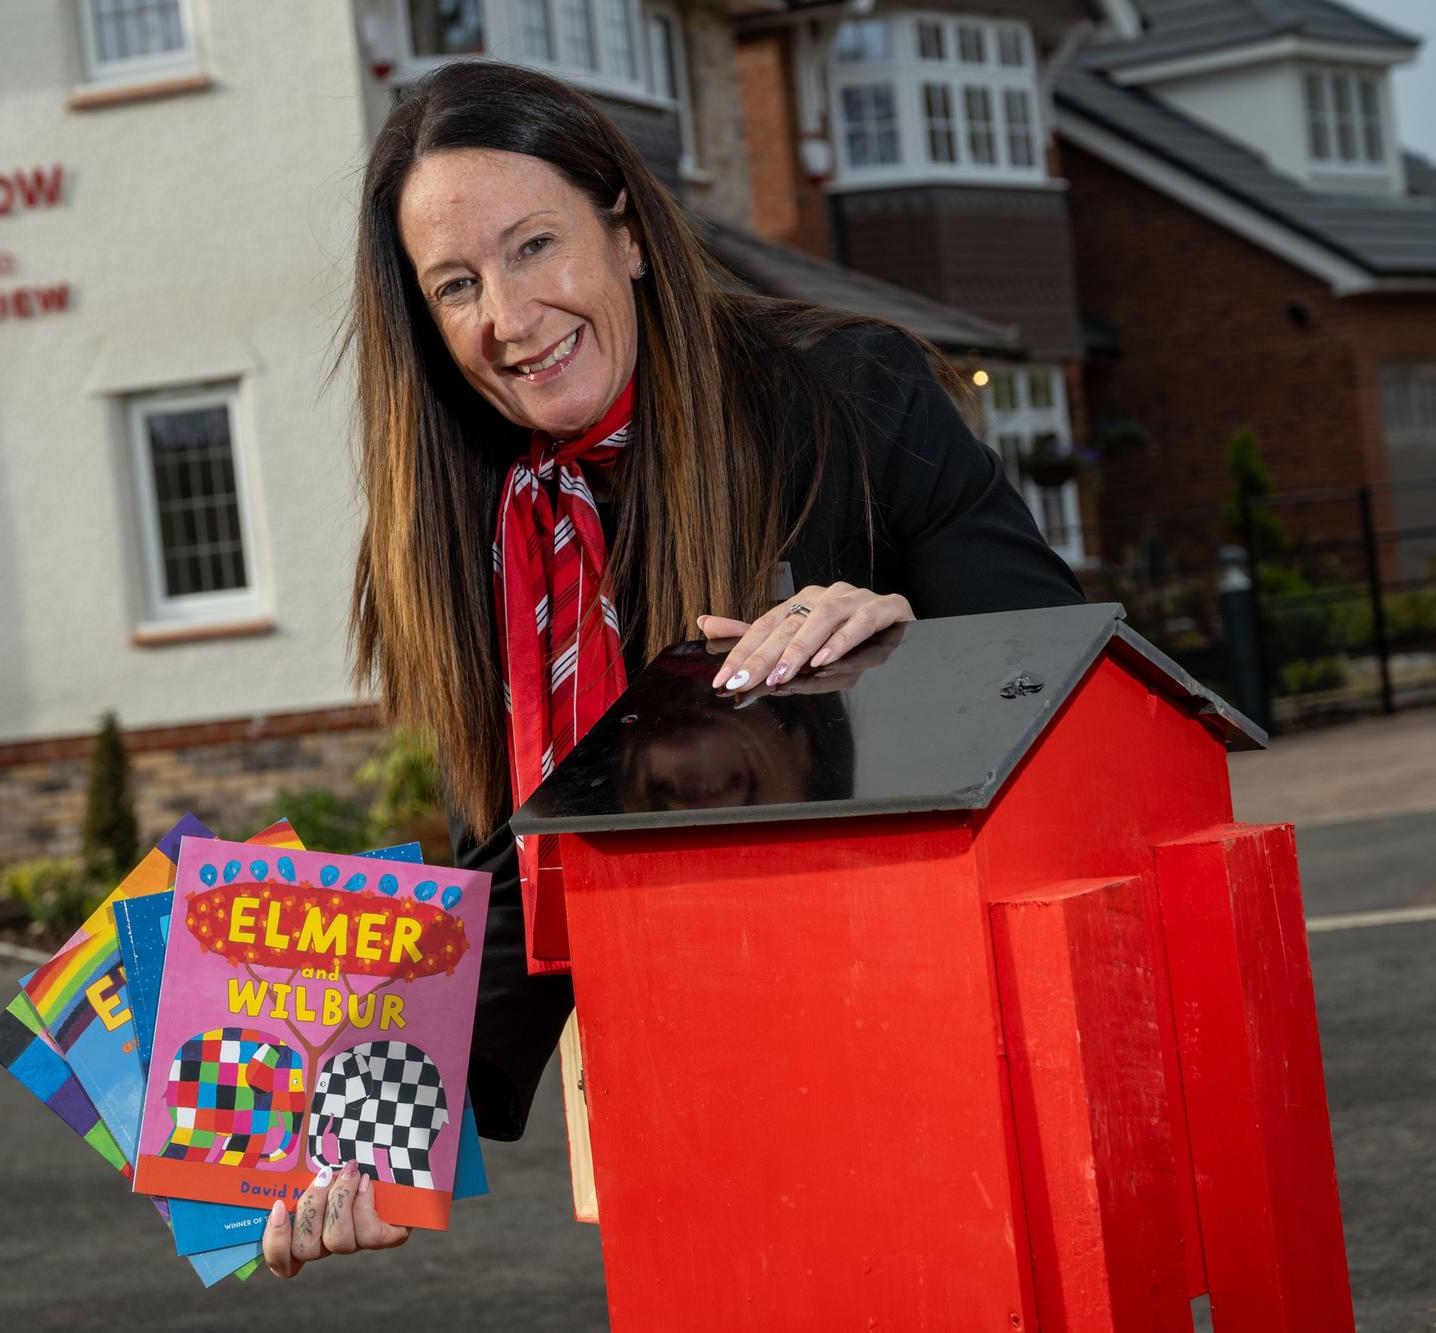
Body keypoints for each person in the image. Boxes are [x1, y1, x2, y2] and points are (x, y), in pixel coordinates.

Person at [262, 59, 1082, 1278]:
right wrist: (375, 1127)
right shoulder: (475, 519)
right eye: (455, 284)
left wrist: (900, 639)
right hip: (674, 1078)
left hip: (925, 1034)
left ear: (628, 231)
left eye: (534, 244)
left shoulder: (846, 391)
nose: (508, 315)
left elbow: (1055, 675)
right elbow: (514, 856)